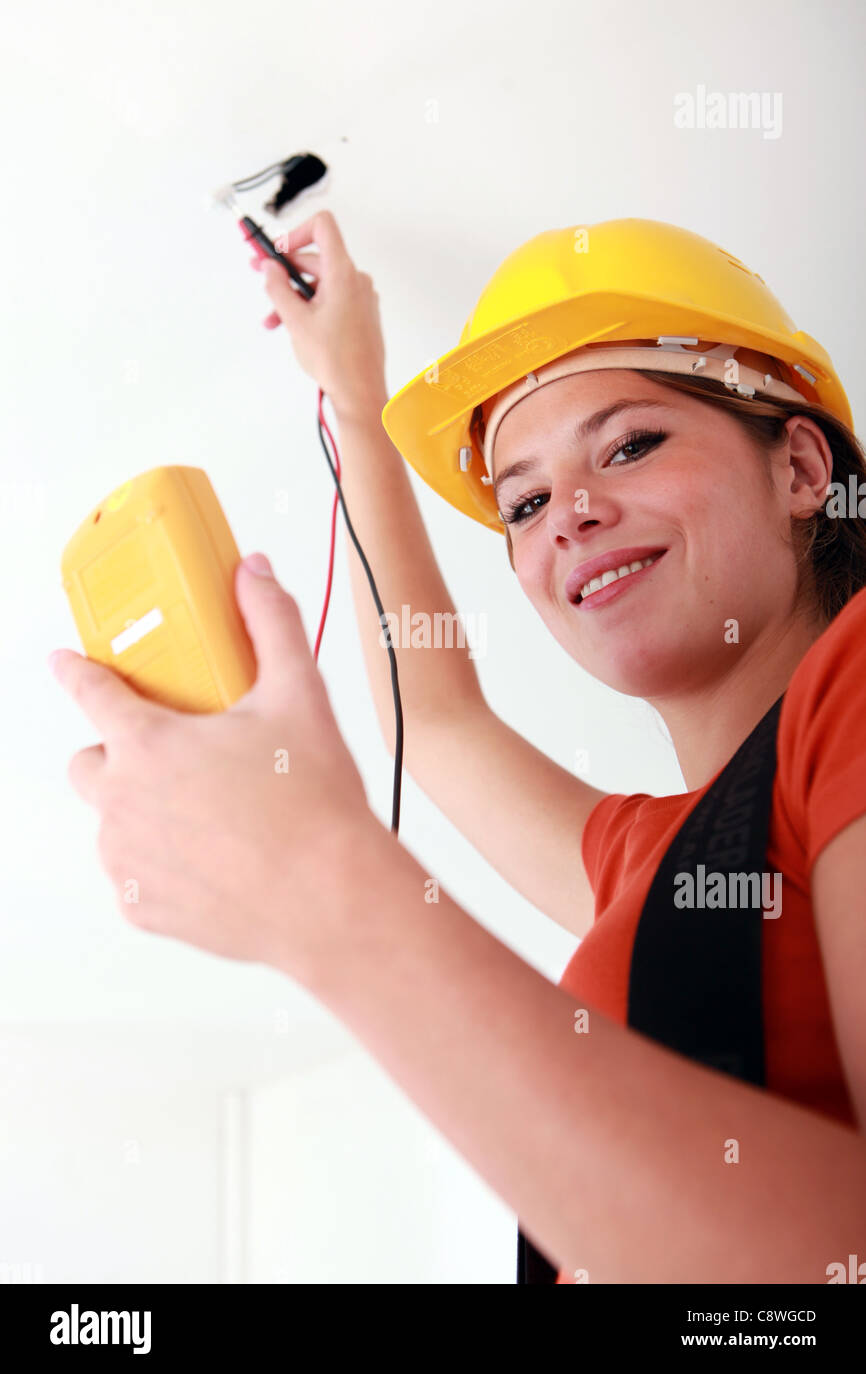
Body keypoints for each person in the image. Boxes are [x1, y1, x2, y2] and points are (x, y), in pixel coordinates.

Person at [53, 211, 866, 1284]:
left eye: (628, 443)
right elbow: (430, 719)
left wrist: (324, 893)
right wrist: (353, 391)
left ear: (802, 465)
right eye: (521, 501)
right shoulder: (656, 865)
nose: (566, 514)